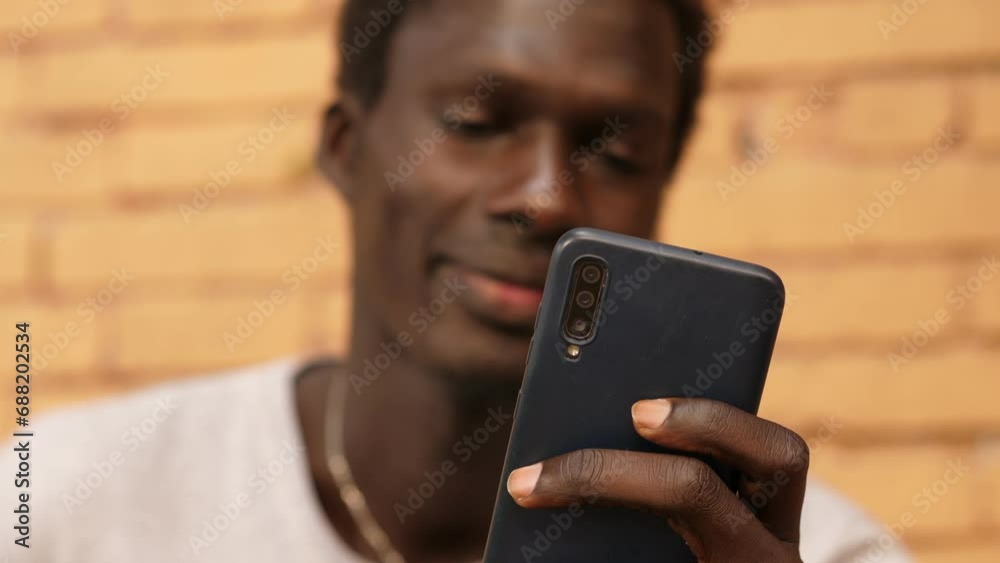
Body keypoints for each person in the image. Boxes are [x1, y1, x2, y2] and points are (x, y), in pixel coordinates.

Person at [7, 0, 913, 561]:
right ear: (347, 148)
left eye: (618, 148)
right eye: (479, 121)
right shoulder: (57, 508)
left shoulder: (814, 554)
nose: (548, 194)